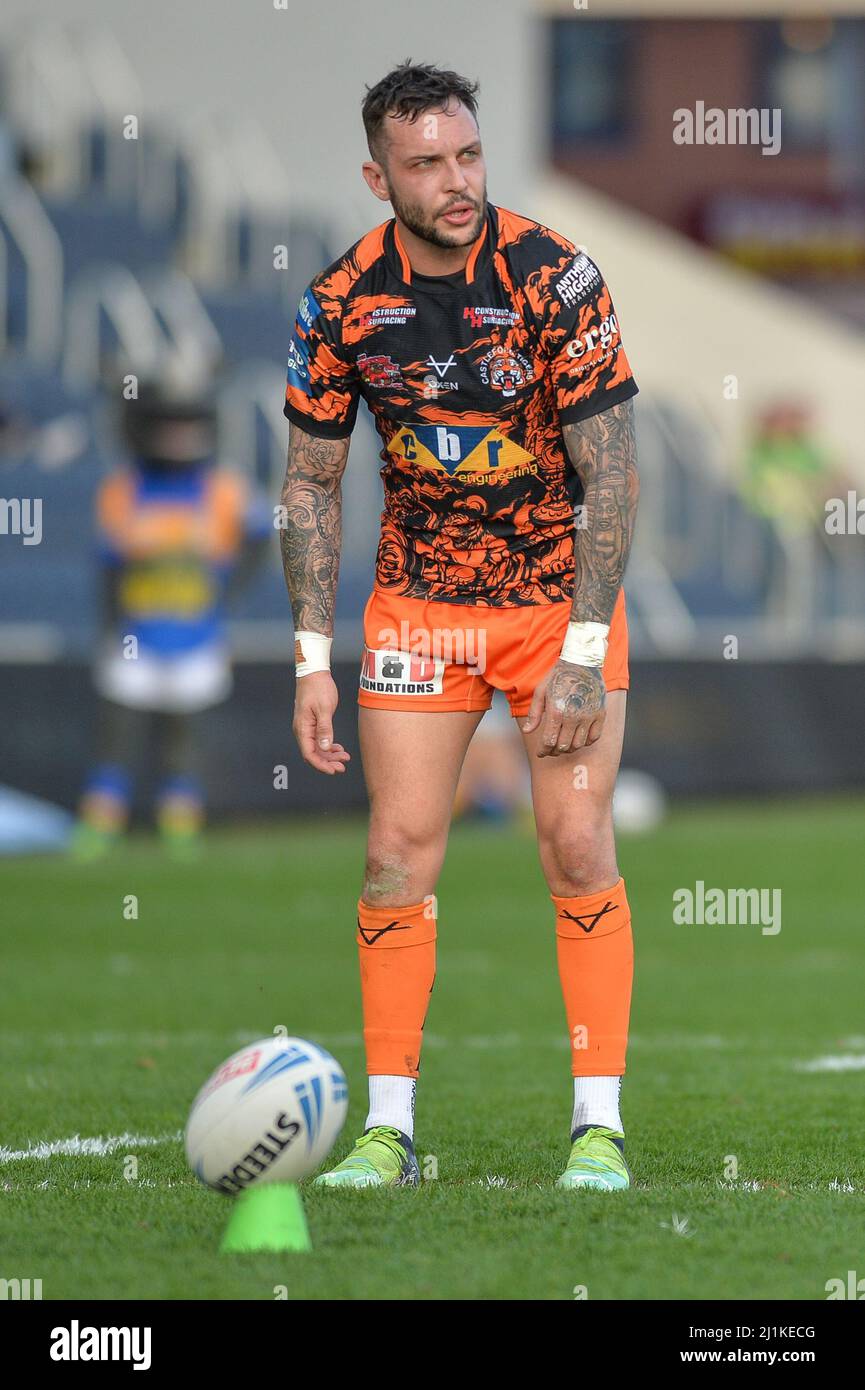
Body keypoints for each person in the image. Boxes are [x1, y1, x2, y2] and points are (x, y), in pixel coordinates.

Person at [280, 61, 640, 1190]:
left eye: (468, 154)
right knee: (394, 857)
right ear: (377, 174)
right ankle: (388, 1131)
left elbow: (614, 476)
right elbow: (307, 483)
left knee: (576, 845)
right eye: (426, 163)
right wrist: (310, 658)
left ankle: (597, 1128)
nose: (455, 181)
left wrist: (583, 650)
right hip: (418, 609)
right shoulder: (341, 301)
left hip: (550, 606)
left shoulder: (555, 276)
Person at [73, 367, 269, 859]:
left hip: (197, 637)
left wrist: (231, 591)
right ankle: (99, 825)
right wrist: (112, 628)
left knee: (185, 740)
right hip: (135, 638)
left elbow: (262, 535)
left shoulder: (223, 490)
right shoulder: (123, 490)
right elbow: (110, 568)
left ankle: (179, 827)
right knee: (117, 736)